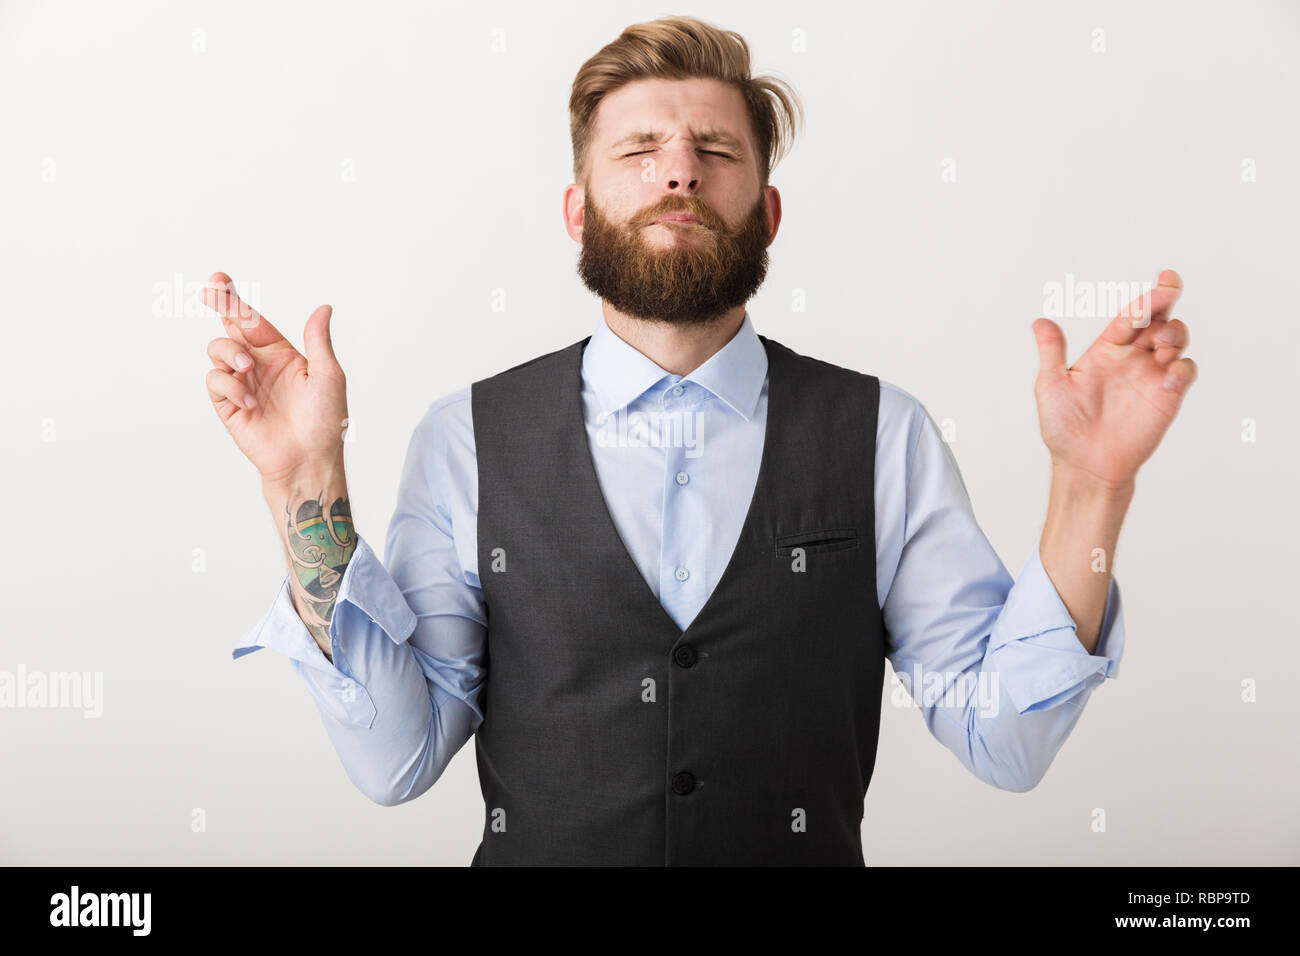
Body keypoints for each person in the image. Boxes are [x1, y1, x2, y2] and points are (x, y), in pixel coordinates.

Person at [202, 16, 1197, 866]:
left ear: (765, 214)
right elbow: (395, 756)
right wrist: (303, 479)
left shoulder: (881, 434)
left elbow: (1004, 739)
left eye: (714, 151)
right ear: (575, 209)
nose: (678, 167)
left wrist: (1090, 484)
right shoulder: (466, 437)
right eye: (638, 150)